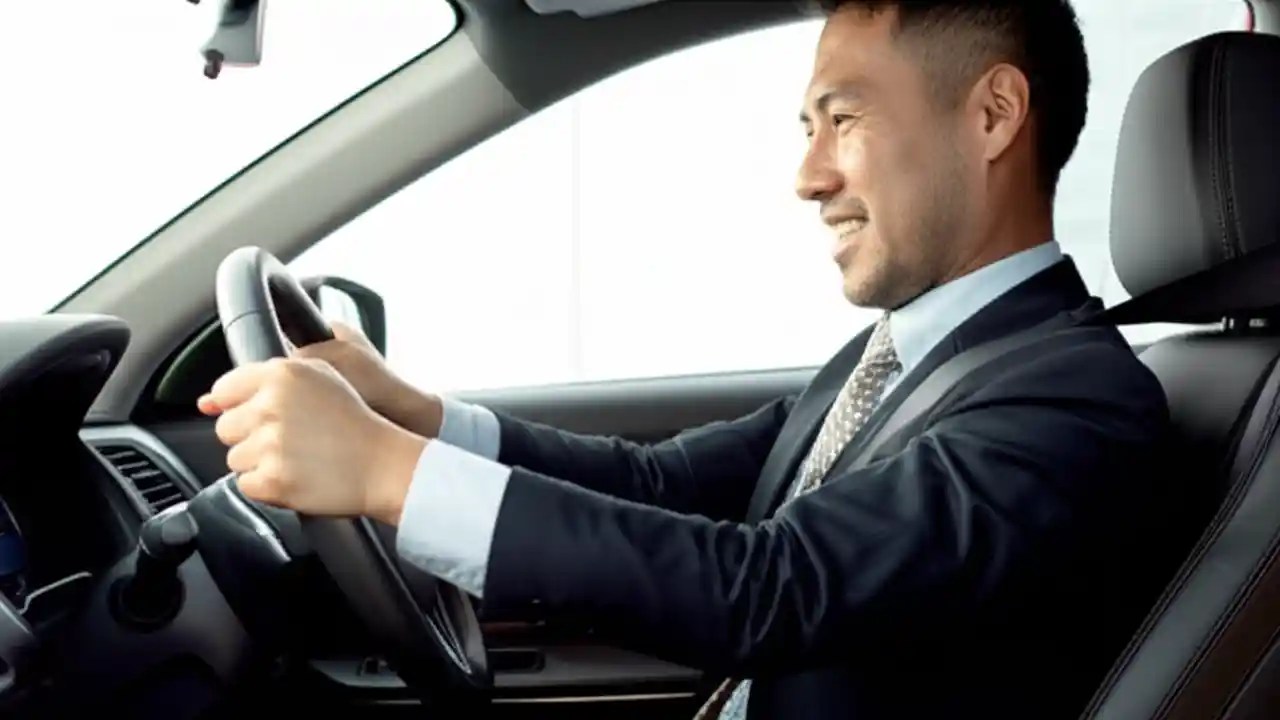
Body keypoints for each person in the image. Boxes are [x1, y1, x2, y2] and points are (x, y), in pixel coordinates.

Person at [197, 1, 1173, 718]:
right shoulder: (900, 352)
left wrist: (384, 473)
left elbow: (772, 587)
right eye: (806, 128)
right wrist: (422, 420)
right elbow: (661, 482)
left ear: (994, 115)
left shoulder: (1073, 406)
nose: (807, 176)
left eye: (844, 119)